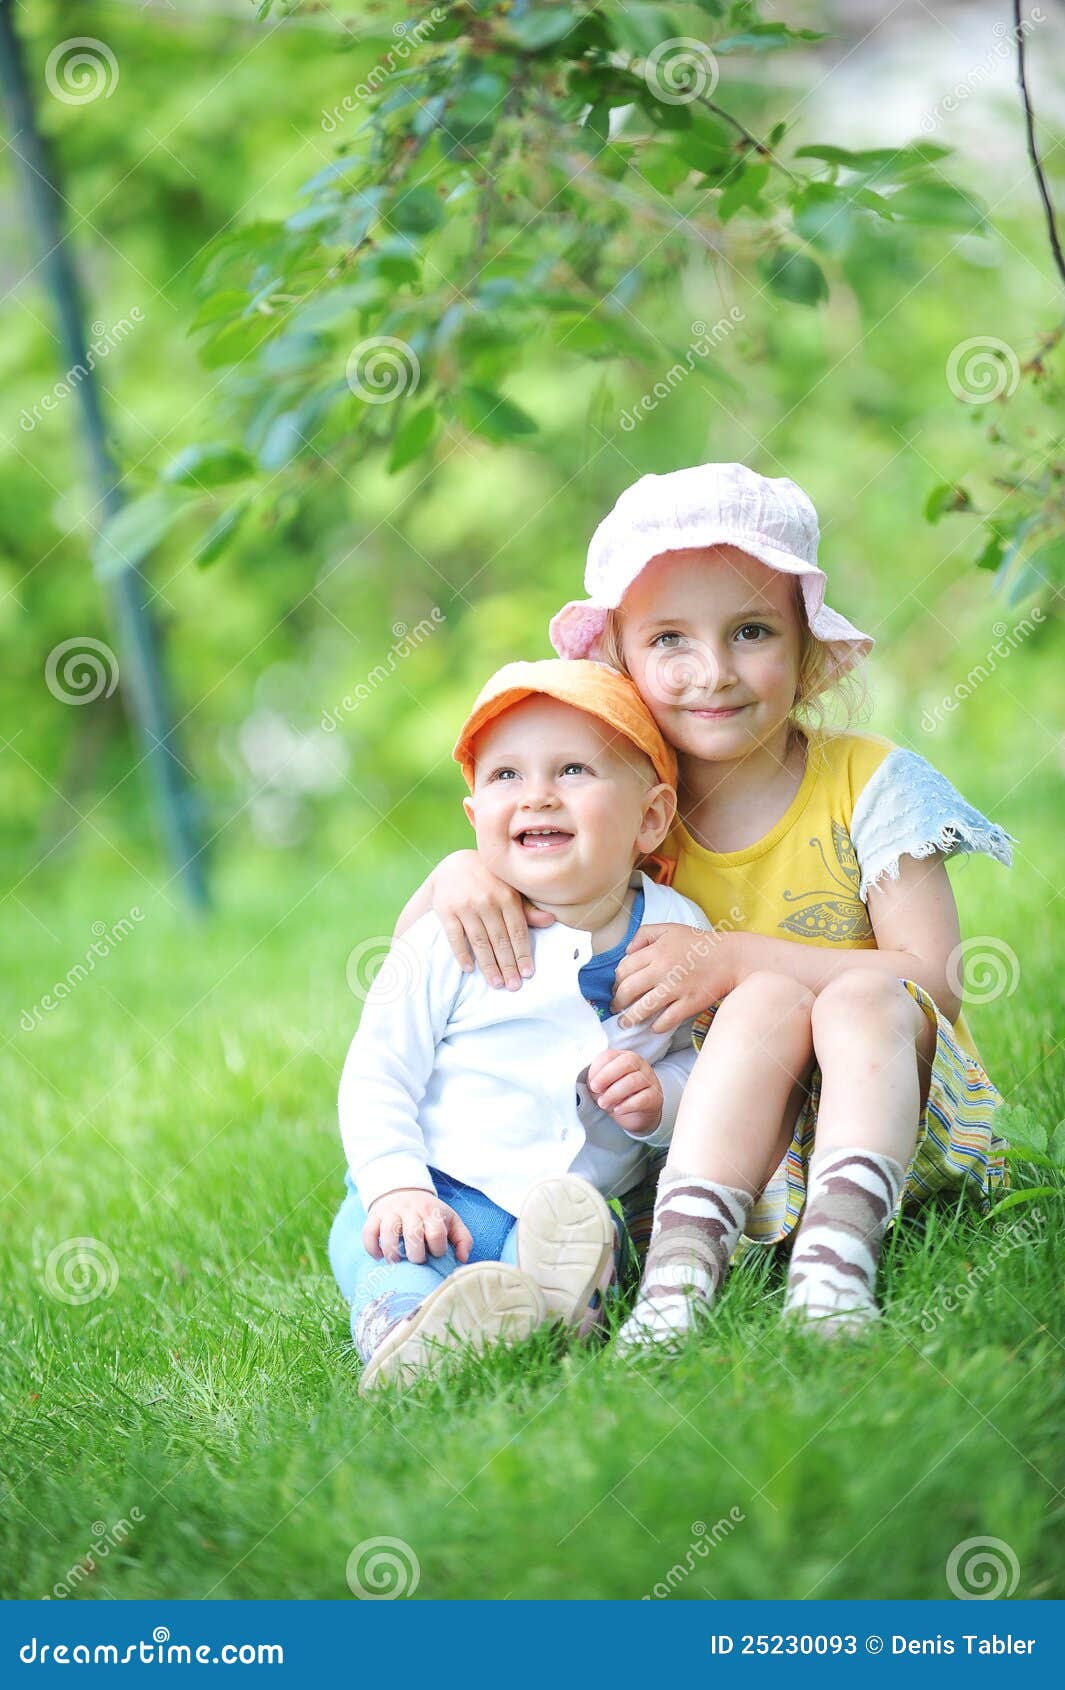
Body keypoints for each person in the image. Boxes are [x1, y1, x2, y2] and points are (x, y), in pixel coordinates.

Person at [402, 462, 1013, 1348]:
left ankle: (836, 1262)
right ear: (620, 661)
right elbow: (420, 958)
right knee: (762, 1007)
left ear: (805, 650)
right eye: (669, 641)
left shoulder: (868, 782)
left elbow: (936, 982)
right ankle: (677, 1282)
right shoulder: (619, 804)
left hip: (879, 1110)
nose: (712, 672)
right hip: (701, 1140)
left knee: (838, 993)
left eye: (751, 631)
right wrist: (458, 874)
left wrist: (737, 957)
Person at [330, 658, 713, 1390]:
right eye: (505, 776)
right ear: (476, 817)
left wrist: (661, 1095)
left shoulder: (675, 931)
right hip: (438, 1187)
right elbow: (378, 1069)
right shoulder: (452, 936)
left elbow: (707, 1063)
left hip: (564, 1212)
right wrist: (393, 1186)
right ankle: (407, 1332)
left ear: (651, 817)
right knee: (387, 1255)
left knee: (574, 1244)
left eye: (573, 770)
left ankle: (537, 1306)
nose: (536, 794)